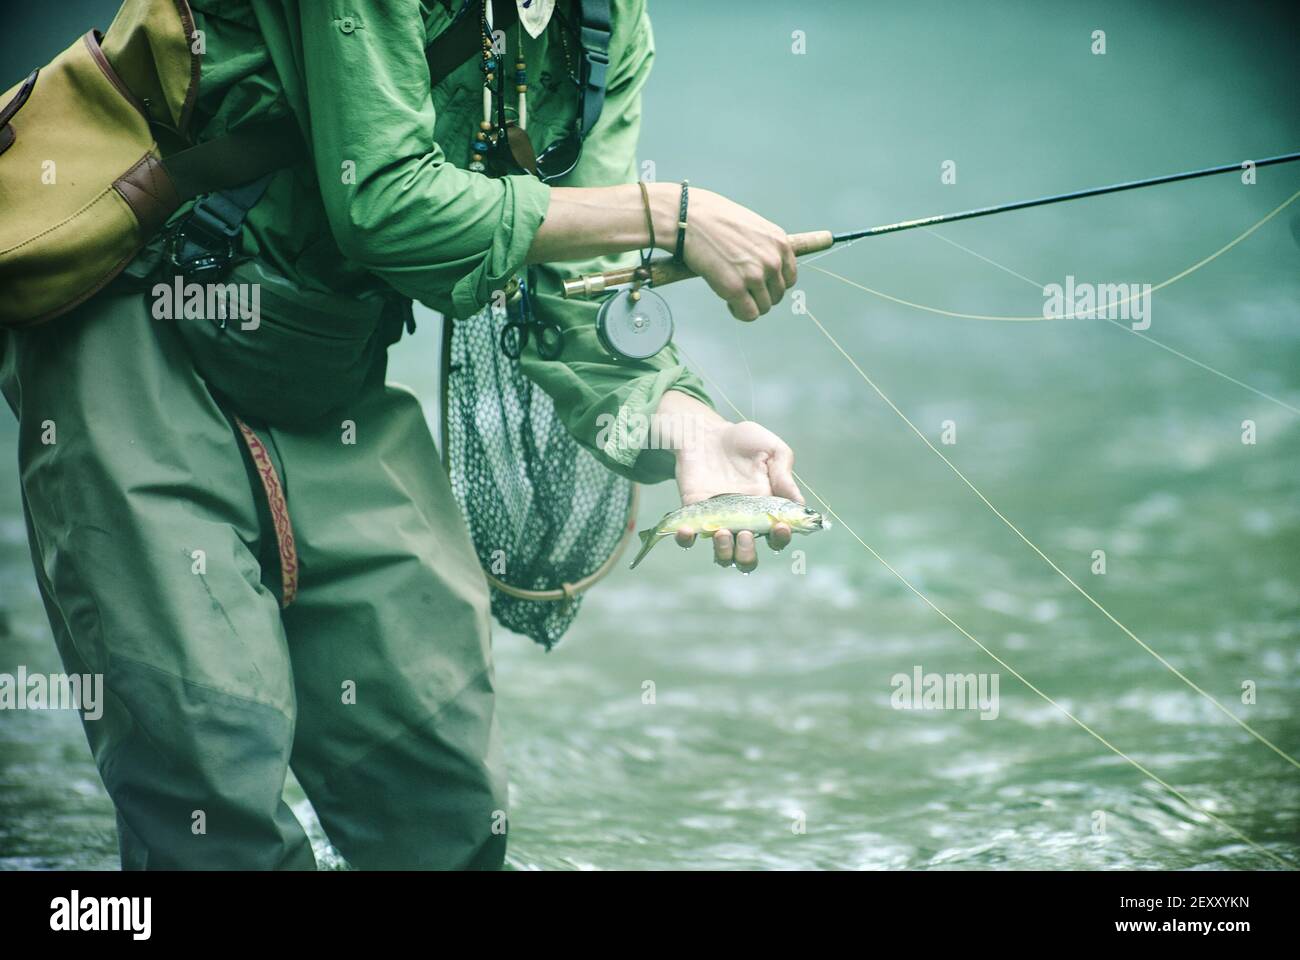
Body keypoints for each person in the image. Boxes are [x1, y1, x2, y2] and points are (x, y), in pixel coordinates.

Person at [0, 0, 801, 869]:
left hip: (330, 363)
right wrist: (666, 212)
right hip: (135, 317)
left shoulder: (610, 22)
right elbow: (383, 201)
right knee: (211, 766)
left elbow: (571, 290)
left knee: (442, 793)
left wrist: (686, 421)